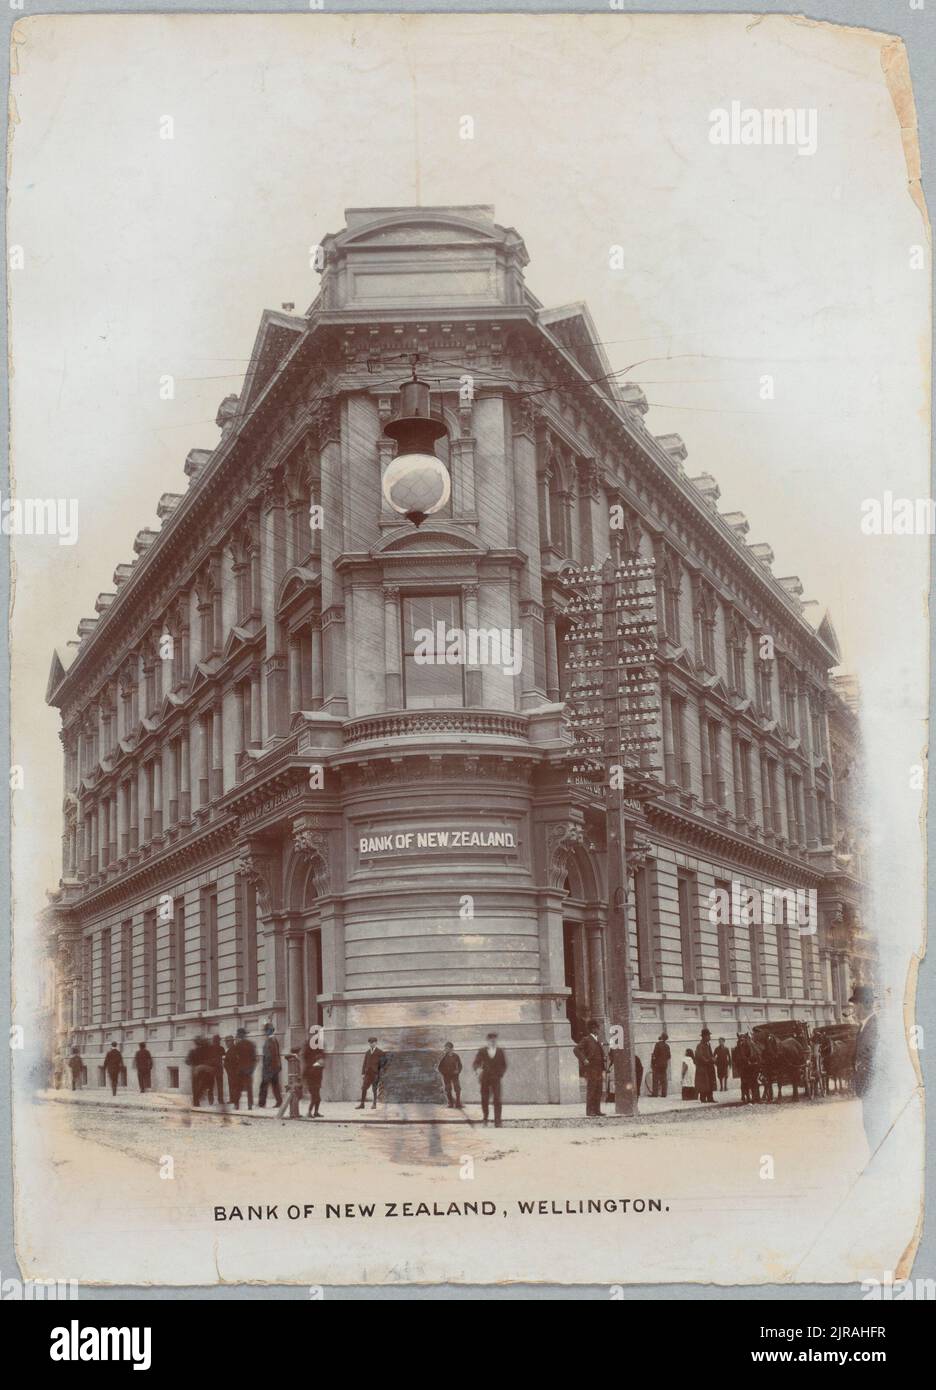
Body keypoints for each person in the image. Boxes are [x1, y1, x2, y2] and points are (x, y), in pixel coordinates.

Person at [851, 985, 883, 1154]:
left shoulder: (874, 1027)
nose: (853, 1009)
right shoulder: (865, 1026)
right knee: (870, 1125)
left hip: (874, 1090)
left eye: (854, 1005)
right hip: (868, 1090)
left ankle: (880, 1164)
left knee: (875, 1125)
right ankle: (877, 1160)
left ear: (863, 1004)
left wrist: (868, 1088)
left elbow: (874, 1062)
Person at [473, 1032, 508, 1127]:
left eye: (494, 1039)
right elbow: (476, 1063)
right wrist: (478, 1070)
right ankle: (485, 1119)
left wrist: (500, 1074)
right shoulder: (482, 1051)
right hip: (485, 1079)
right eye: (491, 1039)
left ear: (496, 1040)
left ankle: (498, 1121)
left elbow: (504, 1065)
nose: (493, 1041)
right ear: (487, 1041)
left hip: (496, 1079)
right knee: (484, 1099)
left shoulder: (500, 1051)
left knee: (497, 1099)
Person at [574, 1020, 606, 1117]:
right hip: (591, 1068)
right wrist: (584, 1060)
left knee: (598, 1089)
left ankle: (597, 1110)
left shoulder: (597, 1040)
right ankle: (590, 1111)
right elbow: (576, 1049)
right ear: (592, 1029)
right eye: (597, 1028)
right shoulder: (586, 1039)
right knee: (592, 1089)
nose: (598, 1030)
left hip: (599, 1068)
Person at [356, 1037, 388, 1109]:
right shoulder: (367, 1052)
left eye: (373, 1042)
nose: (371, 1044)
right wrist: (363, 1073)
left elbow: (384, 1063)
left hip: (375, 1073)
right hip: (367, 1073)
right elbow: (364, 1063)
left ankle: (374, 1104)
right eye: (370, 1043)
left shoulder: (380, 1052)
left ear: (376, 1043)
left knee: (374, 1089)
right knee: (364, 1088)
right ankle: (362, 1104)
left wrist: (380, 1072)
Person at [230, 1027, 256, 1110]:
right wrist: (252, 1069)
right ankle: (250, 1105)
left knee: (238, 1088)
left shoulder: (237, 1045)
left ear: (240, 1035)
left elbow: (233, 1058)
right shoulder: (251, 1044)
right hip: (248, 1070)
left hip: (240, 1070)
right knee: (249, 1088)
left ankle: (236, 1105)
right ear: (245, 1035)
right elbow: (254, 1058)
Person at [302, 1032, 326, 1118]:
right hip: (312, 1083)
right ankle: (309, 1112)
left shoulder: (318, 1066)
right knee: (315, 1098)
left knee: (317, 1098)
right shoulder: (312, 1067)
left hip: (316, 1083)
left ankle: (315, 1112)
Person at [258, 1023, 283, 1108]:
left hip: (269, 1068)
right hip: (274, 1067)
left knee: (264, 1086)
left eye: (267, 1031)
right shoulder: (274, 1040)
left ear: (269, 1031)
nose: (266, 1032)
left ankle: (261, 1103)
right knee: (275, 1085)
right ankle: (279, 1101)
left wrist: (267, 1068)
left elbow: (268, 1056)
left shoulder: (270, 1041)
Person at [186, 1036, 215, 1107]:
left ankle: (196, 1102)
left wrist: (192, 1064)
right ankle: (198, 1100)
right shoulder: (205, 1051)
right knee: (202, 1086)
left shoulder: (192, 1051)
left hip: (195, 1071)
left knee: (195, 1087)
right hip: (203, 1071)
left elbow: (187, 1061)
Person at [437, 1042, 463, 1108]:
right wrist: (444, 1073)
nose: (446, 1049)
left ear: (451, 1048)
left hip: (455, 1075)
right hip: (447, 1076)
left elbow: (460, 1065)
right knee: (448, 1089)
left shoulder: (456, 1056)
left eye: (447, 1048)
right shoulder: (444, 1057)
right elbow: (439, 1067)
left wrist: (458, 1071)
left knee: (457, 1089)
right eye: (446, 1048)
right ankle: (450, 1103)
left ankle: (458, 1103)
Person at [694, 1028, 717, 1104]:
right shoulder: (700, 1045)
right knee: (704, 1083)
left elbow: (711, 1054)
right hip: (703, 1068)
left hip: (709, 1067)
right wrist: (708, 1061)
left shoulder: (708, 1045)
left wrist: (713, 1059)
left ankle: (710, 1097)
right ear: (704, 1036)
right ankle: (703, 1098)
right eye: (708, 1035)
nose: (709, 1037)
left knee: (710, 1082)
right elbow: (700, 1056)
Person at [208, 1034, 225, 1105]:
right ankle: (220, 1100)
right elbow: (224, 1057)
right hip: (217, 1068)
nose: (217, 1042)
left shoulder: (210, 1048)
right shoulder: (221, 1048)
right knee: (218, 1085)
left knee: (211, 1085)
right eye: (217, 1040)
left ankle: (211, 1100)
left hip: (213, 1068)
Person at [651, 1033, 670, 1097]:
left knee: (655, 1078)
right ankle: (664, 1093)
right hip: (664, 1064)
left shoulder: (657, 1044)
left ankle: (655, 1093)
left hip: (657, 1064)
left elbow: (654, 1054)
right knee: (664, 1079)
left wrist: (653, 1063)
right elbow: (669, 1056)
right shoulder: (667, 1046)